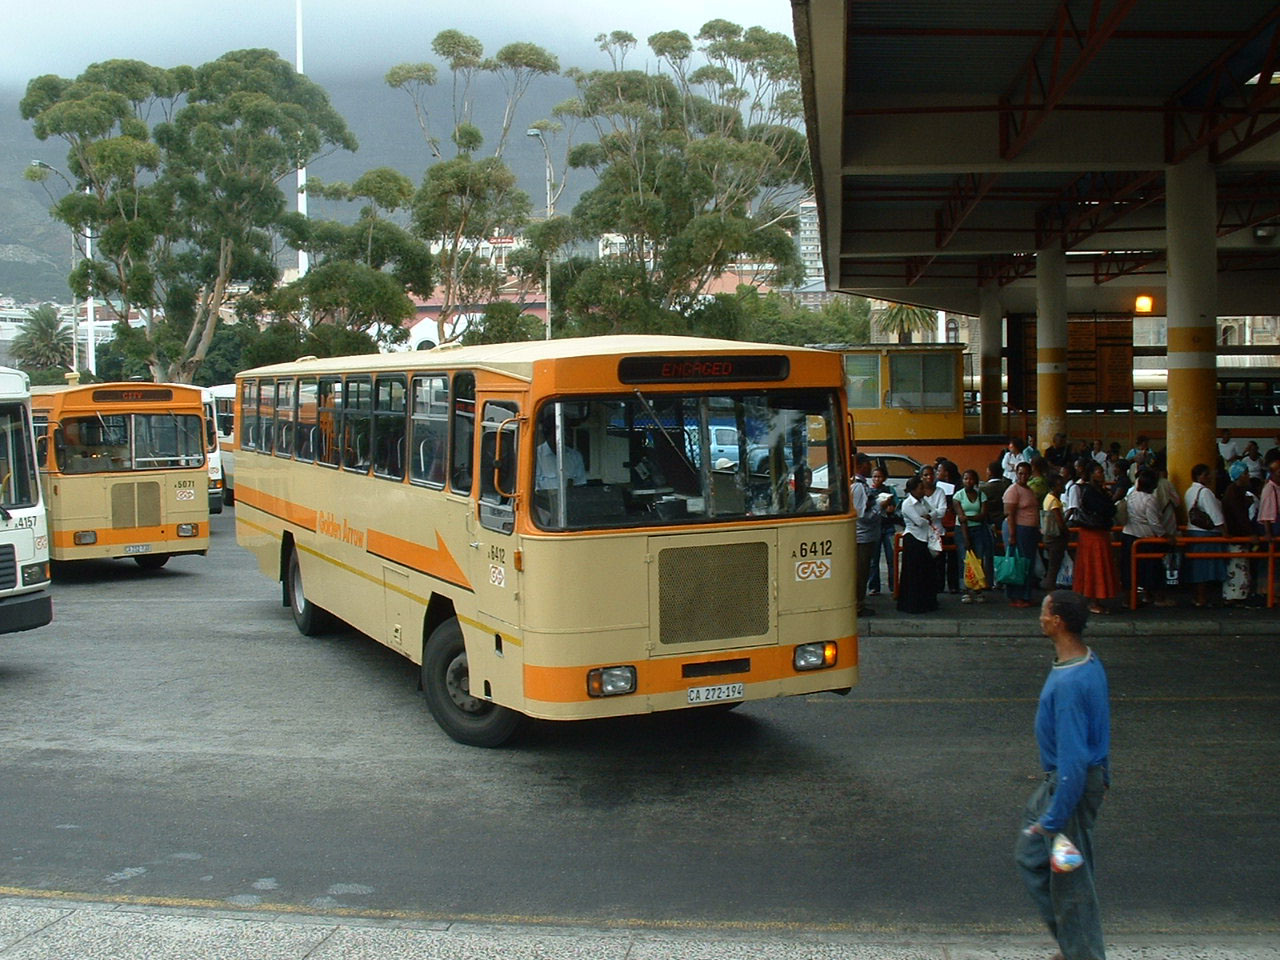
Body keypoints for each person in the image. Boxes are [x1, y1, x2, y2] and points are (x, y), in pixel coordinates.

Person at [1015, 590, 1110, 960]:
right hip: (1064, 785)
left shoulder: (1069, 685)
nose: (1040, 618)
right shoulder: (1086, 662)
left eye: (1044, 612)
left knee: (1070, 881)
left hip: (1066, 789)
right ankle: (1074, 946)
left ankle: (1082, 953)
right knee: (1032, 858)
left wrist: (1054, 818)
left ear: (1057, 621)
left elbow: (1074, 759)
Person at [1120, 468, 1177, 607]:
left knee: (1129, 569)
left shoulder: (1131, 495)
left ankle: (1129, 599)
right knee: (1153, 568)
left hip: (1128, 535)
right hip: (1145, 538)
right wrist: (1165, 535)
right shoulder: (1150, 499)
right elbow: (1154, 522)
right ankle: (1157, 597)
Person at [1073, 463, 1118, 615]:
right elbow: (1106, 509)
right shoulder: (1090, 492)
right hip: (1093, 533)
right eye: (1099, 472)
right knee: (1094, 566)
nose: (1102, 475)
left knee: (1094, 566)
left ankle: (1094, 599)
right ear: (1092, 474)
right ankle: (1093, 600)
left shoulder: (1098, 491)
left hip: (1097, 532)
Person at [1184, 462, 1226, 608]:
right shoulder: (1206, 492)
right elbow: (1215, 515)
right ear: (1199, 476)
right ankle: (1202, 598)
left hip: (1192, 531)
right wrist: (1225, 532)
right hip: (1206, 534)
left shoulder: (1189, 491)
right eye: (1206, 474)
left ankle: (1197, 597)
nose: (1209, 477)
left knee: (1196, 567)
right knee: (1205, 568)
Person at [897, 476, 940, 614]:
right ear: (913, 490)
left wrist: (928, 516)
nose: (923, 491)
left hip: (924, 538)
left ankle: (927, 601)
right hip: (913, 538)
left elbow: (935, 512)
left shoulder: (923, 502)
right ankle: (912, 603)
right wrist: (926, 518)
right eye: (920, 488)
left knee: (925, 572)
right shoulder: (907, 504)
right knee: (913, 573)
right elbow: (918, 522)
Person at [1002, 461, 1040, 608]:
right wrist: (1012, 535)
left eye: (1026, 474)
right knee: (1018, 564)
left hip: (1030, 530)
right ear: (1016, 474)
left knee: (1027, 564)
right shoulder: (1013, 490)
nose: (1023, 476)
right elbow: (1009, 514)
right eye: (1020, 473)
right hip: (1018, 529)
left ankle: (1026, 595)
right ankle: (1016, 596)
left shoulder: (1029, 490)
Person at [1220, 461, 1258, 605]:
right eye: (1245, 473)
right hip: (1237, 535)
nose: (1248, 476)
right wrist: (1250, 533)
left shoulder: (1233, 491)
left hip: (1237, 534)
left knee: (1237, 566)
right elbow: (1240, 516)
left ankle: (1235, 595)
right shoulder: (1234, 493)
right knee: (1238, 566)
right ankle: (1236, 595)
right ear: (1239, 476)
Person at [953, 468, 991, 603]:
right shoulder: (958, 496)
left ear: (975, 481)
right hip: (961, 530)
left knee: (979, 558)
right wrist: (966, 538)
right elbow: (961, 517)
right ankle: (966, 590)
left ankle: (978, 588)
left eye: (971, 479)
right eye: (965, 479)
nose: (968, 481)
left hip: (978, 530)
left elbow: (983, 515)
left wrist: (968, 518)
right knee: (965, 559)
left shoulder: (981, 495)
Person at [850, 454, 878, 616]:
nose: (871, 467)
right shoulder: (859, 487)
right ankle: (858, 605)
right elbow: (861, 515)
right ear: (860, 465)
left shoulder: (858, 484)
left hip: (864, 535)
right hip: (862, 536)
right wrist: (880, 507)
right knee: (861, 571)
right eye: (868, 464)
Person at [867, 467, 899, 596]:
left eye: (879, 476)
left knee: (891, 557)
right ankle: (874, 586)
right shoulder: (869, 491)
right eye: (874, 476)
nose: (877, 479)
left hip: (888, 526)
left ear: (884, 478)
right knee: (874, 559)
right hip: (875, 527)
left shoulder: (890, 490)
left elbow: (896, 504)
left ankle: (893, 585)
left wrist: (892, 508)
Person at [535, 415, 587, 491]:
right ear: (547, 433)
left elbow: (580, 486)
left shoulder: (575, 456)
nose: (564, 435)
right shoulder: (535, 456)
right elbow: (533, 490)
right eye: (559, 432)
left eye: (566, 431)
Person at [1040, 474, 1068, 593]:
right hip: (1055, 537)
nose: (1063, 486)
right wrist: (1066, 532)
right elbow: (1060, 522)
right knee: (1054, 566)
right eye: (1060, 485)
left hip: (1048, 536)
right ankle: (1050, 589)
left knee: (1052, 564)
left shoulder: (1048, 498)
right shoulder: (1054, 501)